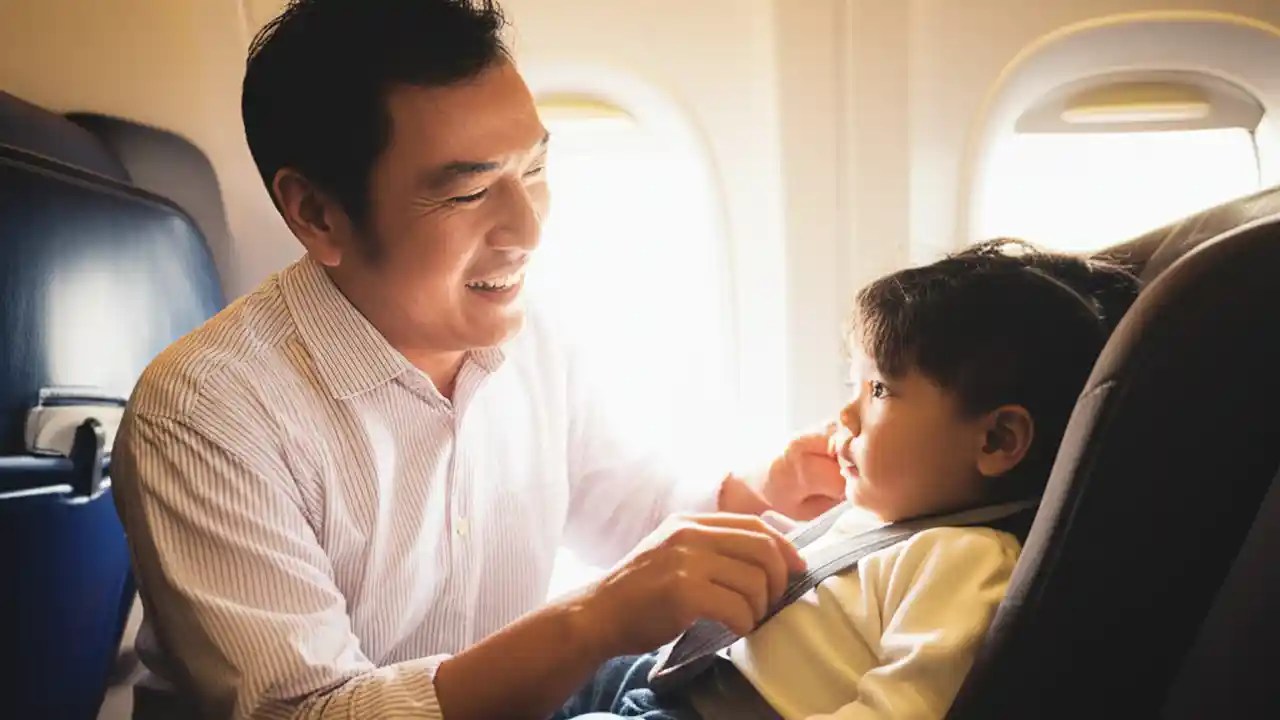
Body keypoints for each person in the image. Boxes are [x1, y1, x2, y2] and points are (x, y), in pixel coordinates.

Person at [109, 1, 846, 718]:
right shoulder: (206, 411)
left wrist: (766, 489)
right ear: (317, 213)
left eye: (532, 172)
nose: (526, 229)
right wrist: (593, 620)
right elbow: (306, 714)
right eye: (467, 192)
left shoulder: (529, 337)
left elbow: (633, 508)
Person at [551, 239, 1141, 719]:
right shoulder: (876, 516)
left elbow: (900, 709)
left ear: (996, 441)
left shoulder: (964, 560)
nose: (846, 417)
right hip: (662, 677)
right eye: (851, 386)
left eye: (879, 390)